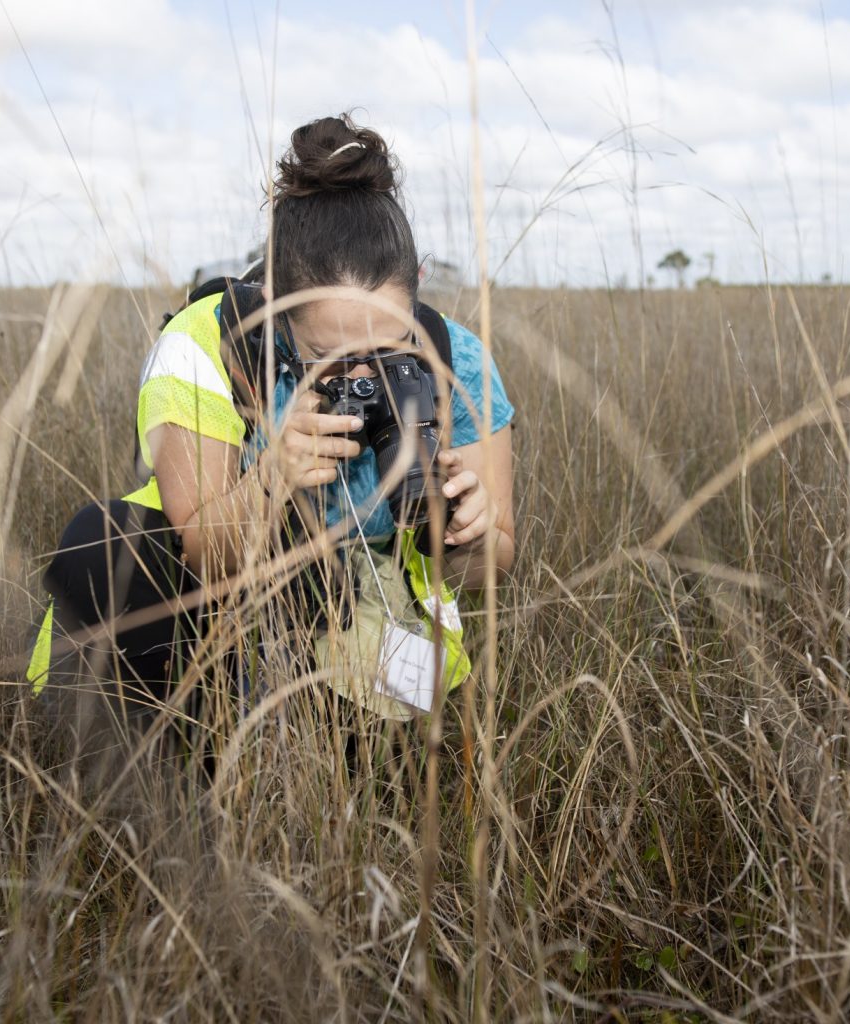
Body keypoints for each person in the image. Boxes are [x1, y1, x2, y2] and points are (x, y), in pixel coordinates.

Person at [26, 113, 515, 736]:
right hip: (228, 598)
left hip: (376, 623)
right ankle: (137, 766)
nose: (363, 374)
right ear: (277, 301)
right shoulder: (209, 341)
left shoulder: (457, 359)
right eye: (332, 359)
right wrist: (271, 479)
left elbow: (491, 569)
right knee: (103, 543)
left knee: (362, 756)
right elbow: (204, 552)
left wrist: (466, 535)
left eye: (389, 350)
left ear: (416, 290)